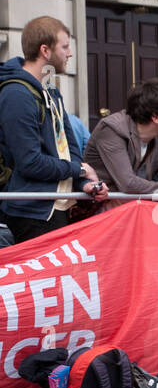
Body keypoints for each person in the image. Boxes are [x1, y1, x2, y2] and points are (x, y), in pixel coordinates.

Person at [0, 16, 104, 242]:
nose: (70, 53)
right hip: (30, 213)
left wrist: (84, 184)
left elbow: (69, 148)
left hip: (55, 209)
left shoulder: (51, 89)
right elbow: (30, 162)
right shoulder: (16, 94)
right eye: (65, 47)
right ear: (45, 51)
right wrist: (80, 171)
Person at [82, 79, 158, 208]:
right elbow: (127, 183)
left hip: (131, 210)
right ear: (155, 117)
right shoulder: (112, 129)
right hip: (99, 210)